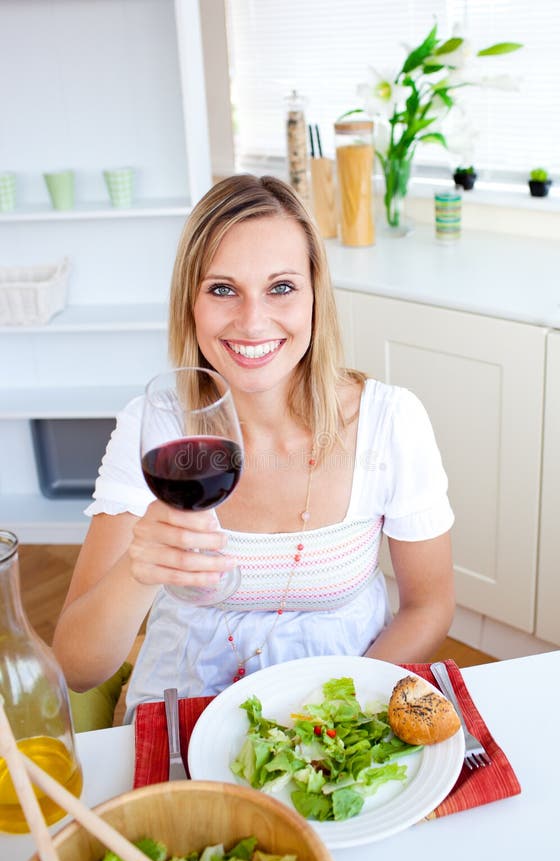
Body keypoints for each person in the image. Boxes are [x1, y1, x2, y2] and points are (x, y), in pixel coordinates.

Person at [53, 174, 455, 723]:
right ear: (190, 303)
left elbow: (428, 606)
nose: (252, 320)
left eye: (281, 287)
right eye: (222, 289)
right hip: (181, 721)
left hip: (338, 717)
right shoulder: (153, 428)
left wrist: (332, 715)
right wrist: (138, 571)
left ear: (316, 295)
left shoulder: (391, 422)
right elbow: (76, 668)